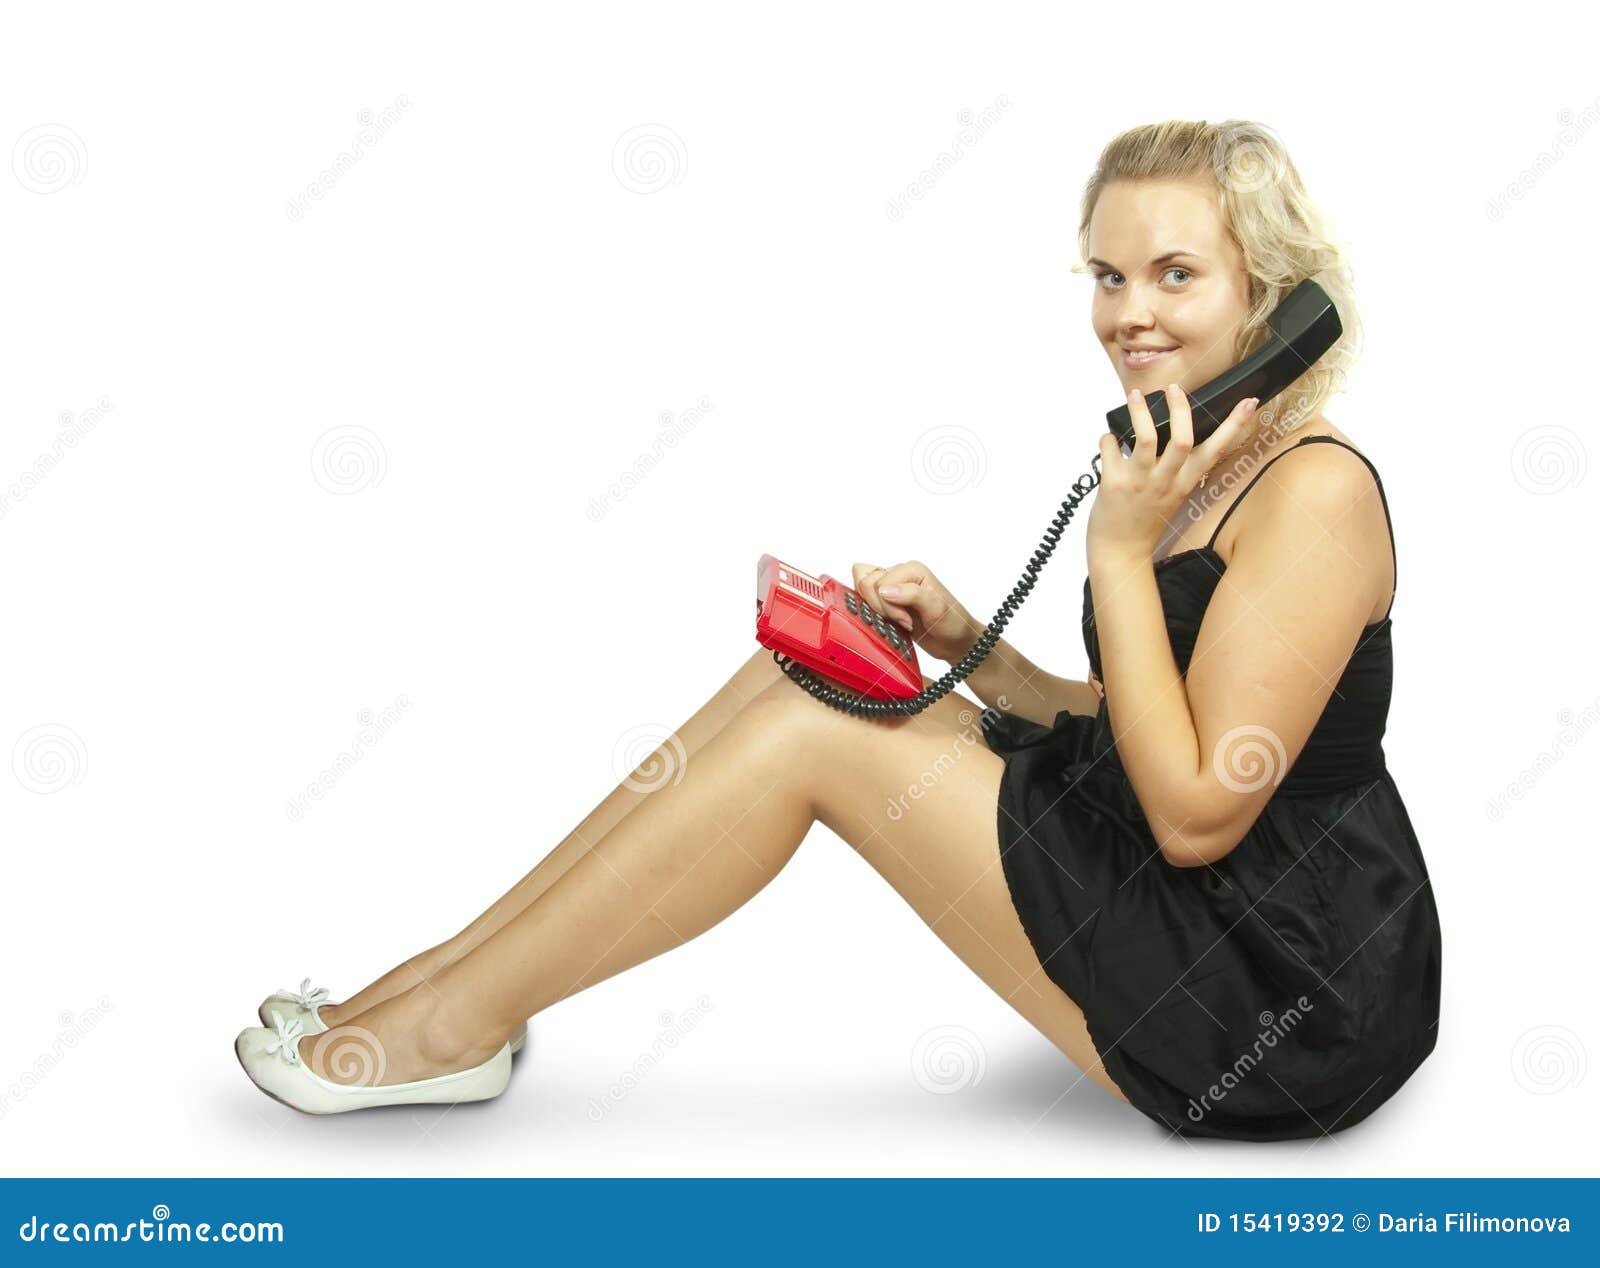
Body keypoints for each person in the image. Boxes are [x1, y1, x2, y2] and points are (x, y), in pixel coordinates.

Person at [236, 118, 1441, 1140]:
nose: (1128, 313)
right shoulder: (1199, 465)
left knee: (825, 737)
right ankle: (449, 986)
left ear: (1276, 300)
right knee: (806, 672)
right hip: (1199, 886)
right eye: (1107, 275)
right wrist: (976, 644)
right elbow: (1143, 717)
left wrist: (1116, 551)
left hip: (1279, 988)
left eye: (1176, 273)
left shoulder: (1313, 494)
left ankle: (445, 1028)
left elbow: (1191, 811)